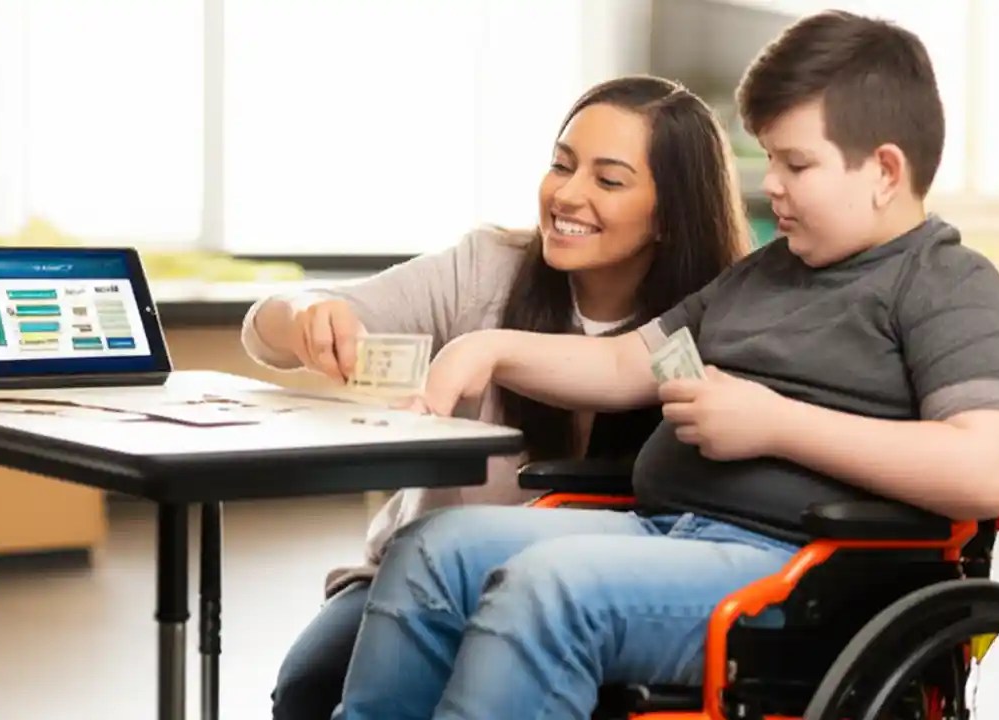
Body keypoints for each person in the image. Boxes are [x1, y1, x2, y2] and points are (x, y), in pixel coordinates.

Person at [334, 11, 999, 720]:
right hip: (665, 535)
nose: (775, 186)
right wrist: (488, 348)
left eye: (797, 164)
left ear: (884, 170)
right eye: (769, 159)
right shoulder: (762, 275)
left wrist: (775, 425)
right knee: (432, 548)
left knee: (548, 587)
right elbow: (623, 365)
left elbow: (984, 469)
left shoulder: (948, 286)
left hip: (798, 574)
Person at [240, 74, 751, 719]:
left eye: (608, 180)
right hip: (422, 580)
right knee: (314, 686)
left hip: (583, 591)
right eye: (561, 165)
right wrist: (305, 314)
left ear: (672, 215)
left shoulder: (714, 314)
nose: (568, 194)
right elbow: (266, 329)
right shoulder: (487, 269)